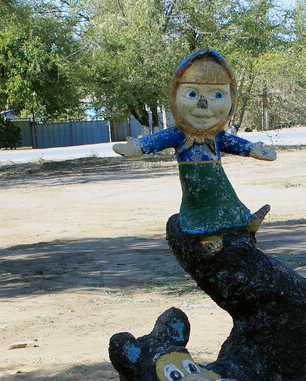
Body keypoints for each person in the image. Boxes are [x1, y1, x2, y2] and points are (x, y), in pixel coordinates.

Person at [112, 49, 276, 239]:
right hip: (194, 184)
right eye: (192, 94)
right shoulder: (179, 134)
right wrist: (137, 147)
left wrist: (253, 149)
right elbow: (156, 140)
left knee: (228, 200)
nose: (203, 105)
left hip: (218, 180)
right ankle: (208, 239)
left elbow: (235, 143)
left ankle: (243, 223)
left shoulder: (217, 136)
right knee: (200, 210)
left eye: (217, 95)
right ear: (175, 96)